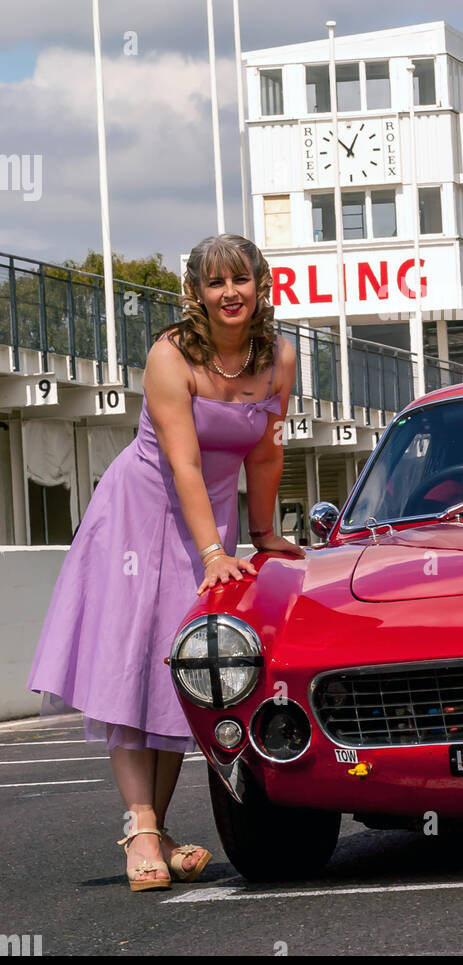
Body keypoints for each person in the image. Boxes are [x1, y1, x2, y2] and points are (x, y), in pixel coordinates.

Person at [28, 233, 302, 891]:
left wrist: (262, 533)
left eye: (241, 280)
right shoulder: (169, 354)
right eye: (215, 282)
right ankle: (142, 827)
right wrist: (212, 552)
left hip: (212, 514)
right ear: (198, 293)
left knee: (184, 667)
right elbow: (182, 460)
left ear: (261, 287)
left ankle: (158, 828)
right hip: (142, 512)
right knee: (133, 658)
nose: (229, 293)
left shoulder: (279, 359)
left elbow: (264, 453)